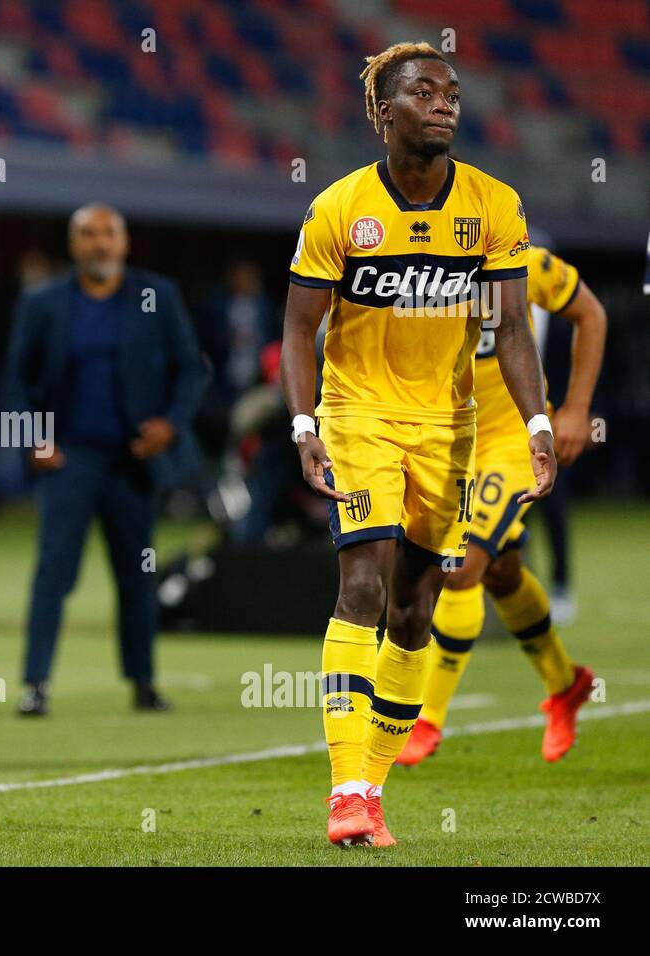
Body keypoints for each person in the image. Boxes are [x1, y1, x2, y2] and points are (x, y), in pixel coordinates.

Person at [280, 42, 554, 847]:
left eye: (453, 92)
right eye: (424, 92)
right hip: (359, 413)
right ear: (382, 112)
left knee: (414, 607)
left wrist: (538, 424)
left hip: (449, 426)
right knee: (362, 583)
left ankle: (373, 782)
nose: (445, 104)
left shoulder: (494, 204)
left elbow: (513, 330)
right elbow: (299, 329)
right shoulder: (337, 209)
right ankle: (347, 794)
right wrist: (305, 427)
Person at [399, 245, 605, 765]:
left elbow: (591, 314)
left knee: (462, 567)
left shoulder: (525, 262)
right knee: (503, 572)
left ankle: (427, 717)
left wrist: (578, 408)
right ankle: (565, 684)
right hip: (448, 439)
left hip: (511, 437)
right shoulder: (417, 273)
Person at [5, 203, 207, 716]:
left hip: (132, 461)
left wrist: (170, 424)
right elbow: (16, 379)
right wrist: (35, 437)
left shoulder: (156, 296)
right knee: (53, 572)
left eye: (109, 234)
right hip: (69, 461)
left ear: (125, 242)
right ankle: (35, 686)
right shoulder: (44, 302)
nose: (100, 244)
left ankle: (143, 683)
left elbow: (191, 369)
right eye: (89, 235)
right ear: (73, 245)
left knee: (136, 574)